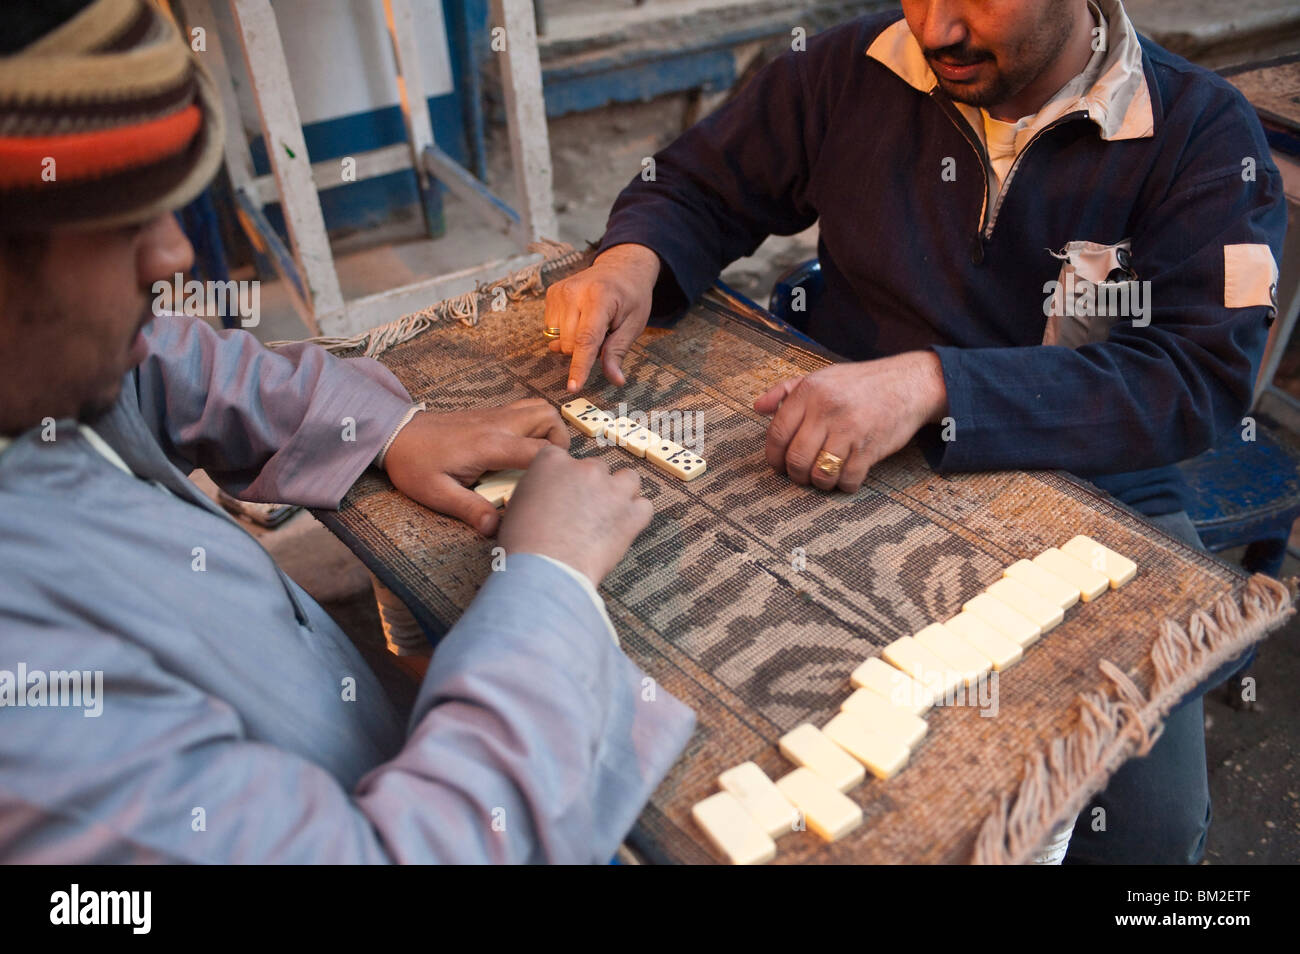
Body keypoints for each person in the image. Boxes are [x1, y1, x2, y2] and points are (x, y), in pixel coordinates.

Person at [543, 0, 1286, 863]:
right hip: (848, 443)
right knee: (724, 708)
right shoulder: (847, 67)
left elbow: (1198, 378)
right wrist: (634, 256)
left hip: (1095, 483)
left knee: (1145, 833)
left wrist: (938, 383)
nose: (936, 31)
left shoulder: (1199, 131)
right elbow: (696, 185)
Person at [0, 0, 693, 863]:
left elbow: (164, 363)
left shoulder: (41, 366)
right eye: (123, 223)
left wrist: (384, 427)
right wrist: (549, 586)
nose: (174, 255)